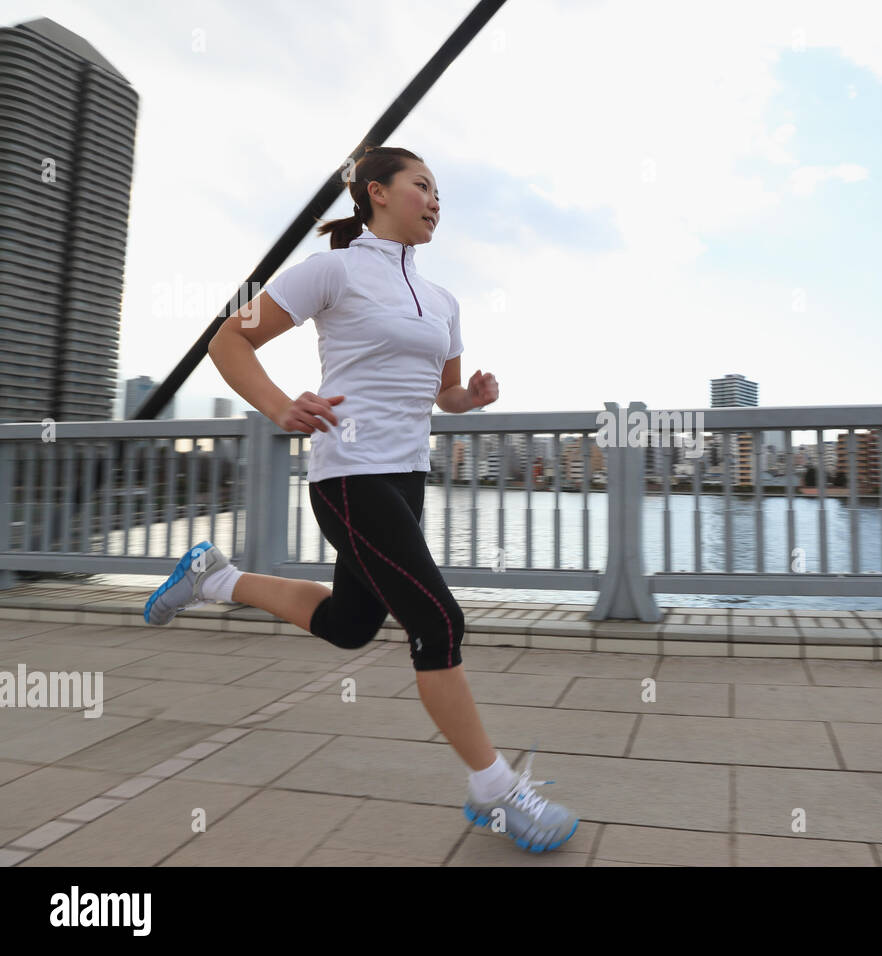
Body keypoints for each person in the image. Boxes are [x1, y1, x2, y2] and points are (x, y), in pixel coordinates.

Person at [142, 145, 579, 854]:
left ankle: (214, 577)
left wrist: (468, 399)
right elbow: (229, 340)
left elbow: (442, 393)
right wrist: (281, 406)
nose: (436, 200)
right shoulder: (333, 269)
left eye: (440, 191)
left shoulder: (443, 301)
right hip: (349, 476)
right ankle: (493, 791)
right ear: (376, 191)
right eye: (423, 186)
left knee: (349, 624)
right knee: (437, 622)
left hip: (405, 477)